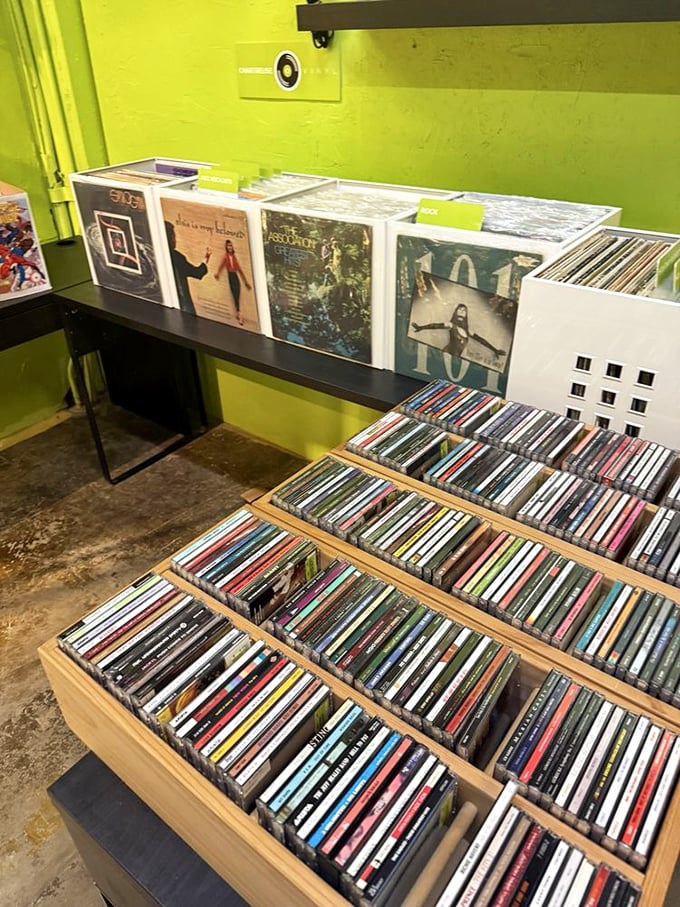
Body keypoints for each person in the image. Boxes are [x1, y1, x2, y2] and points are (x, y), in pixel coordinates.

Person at [411, 302, 506, 363]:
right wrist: (421, 327)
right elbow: (435, 325)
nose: (462, 311)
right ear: (456, 312)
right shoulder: (451, 325)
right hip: (446, 355)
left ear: (466, 314)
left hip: (455, 358)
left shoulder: (468, 331)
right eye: (459, 309)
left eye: (464, 310)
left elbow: (482, 341)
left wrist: (495, 350)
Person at [164, 221, 210, 316]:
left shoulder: (152, 254)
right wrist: (206, 258)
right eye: (173, 236)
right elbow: (198, 273)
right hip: (183, 306)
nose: (175, 240)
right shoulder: (177, 257)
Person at [214, 239, 251, 325]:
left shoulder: (234, 256)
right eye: (228, 246)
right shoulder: (225, 256)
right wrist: (217, 273)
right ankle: (239, 315)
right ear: (226, 247)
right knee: (235, 296)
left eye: (231, 245)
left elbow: (240, 270)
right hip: (230, 276)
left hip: (236, 276)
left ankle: (238, 313)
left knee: (238, 294)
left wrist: (246, 282)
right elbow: (221, 265)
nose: (230, 247)